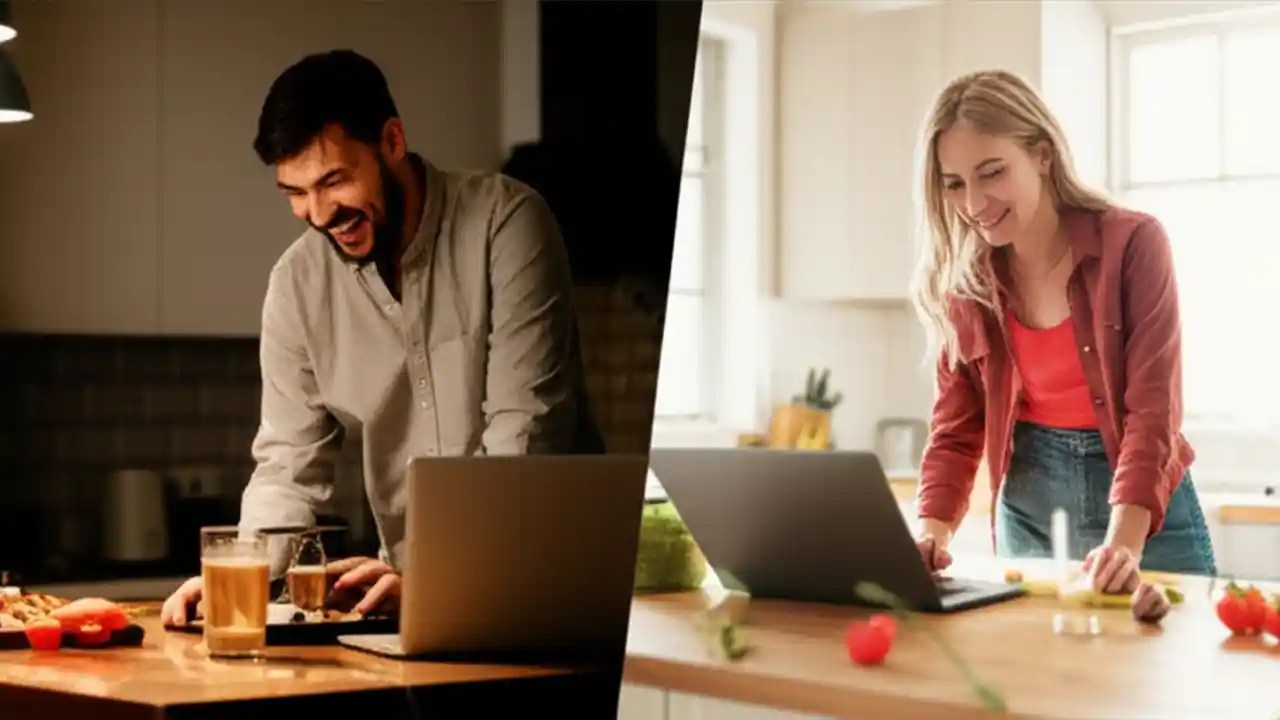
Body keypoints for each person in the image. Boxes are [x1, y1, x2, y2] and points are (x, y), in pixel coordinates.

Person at [162, 49, 602, 625]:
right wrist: (241, 573)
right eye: (294, 192)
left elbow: (524, 438)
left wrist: (432, 580)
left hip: (549, 594)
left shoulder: (507, 224)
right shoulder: (296, 286)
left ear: (392, 141)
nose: (318, 213)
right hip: (410, 602)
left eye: (334, 181)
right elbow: (289, 466)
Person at [908, 69, 1216, 605]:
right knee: (1043, 681)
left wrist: (1123, 544)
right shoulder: (967, 281)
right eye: (954, 182)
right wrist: (928, 537)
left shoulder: (1133, 245)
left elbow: (1152, 411)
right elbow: (956, 430)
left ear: (1043, 155)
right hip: (1031, 513)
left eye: (992, 173)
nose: (974, 202)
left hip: (1146, 509)